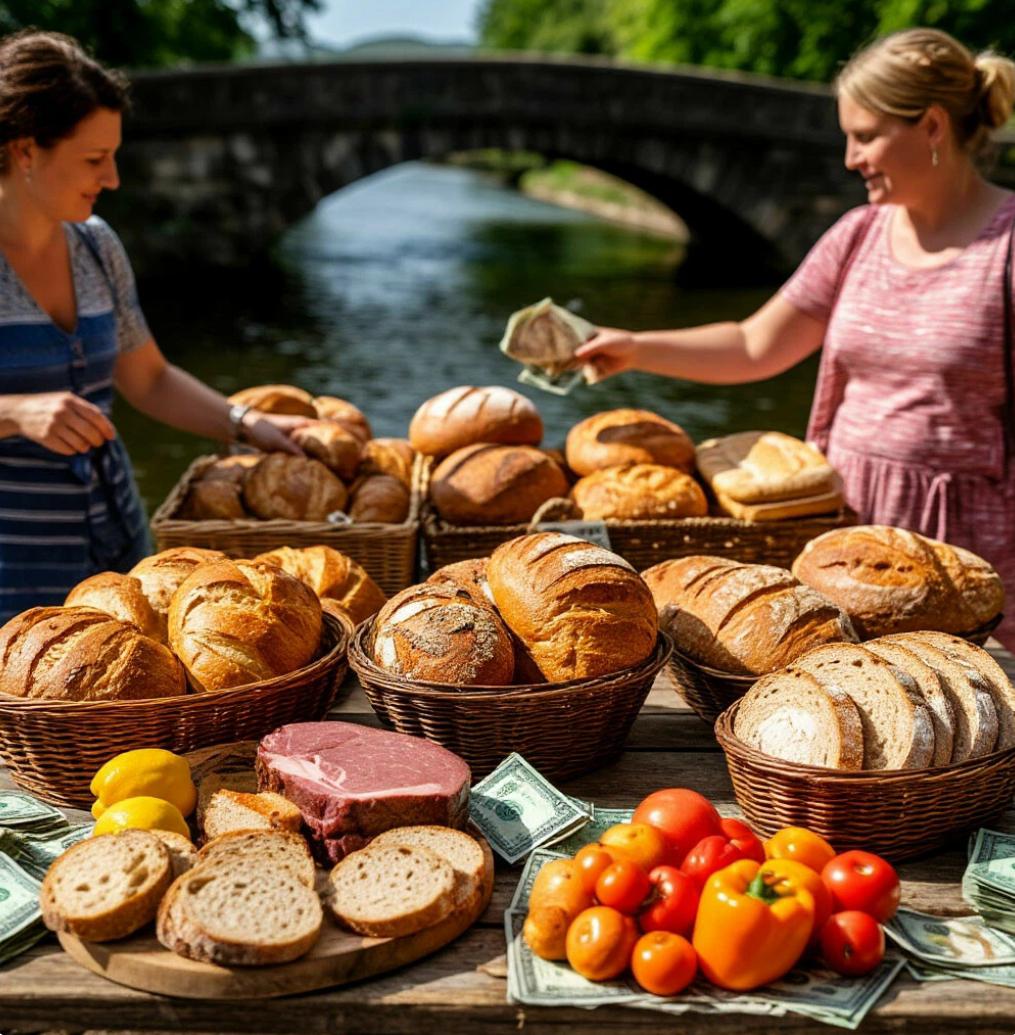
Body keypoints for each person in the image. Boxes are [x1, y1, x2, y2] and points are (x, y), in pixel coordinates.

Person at [577, 28, 1015, 647]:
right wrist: (637, 347)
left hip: (968, 548)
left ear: (933, 127)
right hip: (844, 531)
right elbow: (757, 344)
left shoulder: (1008, 245)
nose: (849, 158)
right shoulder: (857, 235)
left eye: (865, 136)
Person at [0, 30, 305, 621]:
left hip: (113, 557)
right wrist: (16, 413)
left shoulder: (96, 246)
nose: (112, 178)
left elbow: (149, 379)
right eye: (94, 159)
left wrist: (247, 423)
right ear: (25, 149)